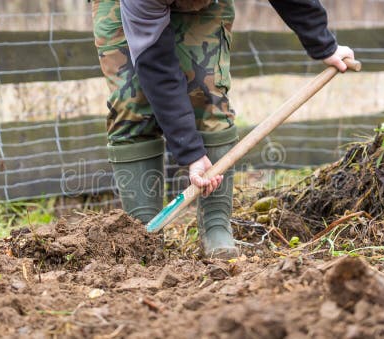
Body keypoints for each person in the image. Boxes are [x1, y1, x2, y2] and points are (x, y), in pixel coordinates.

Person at [91, 0, 353, 259]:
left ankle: (215, 225)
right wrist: (190, 152)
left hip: (204, 8)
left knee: (208, 94)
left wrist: (323, 44)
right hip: (130, 6)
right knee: (132, 104)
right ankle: (143, 235)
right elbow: (155, 65)